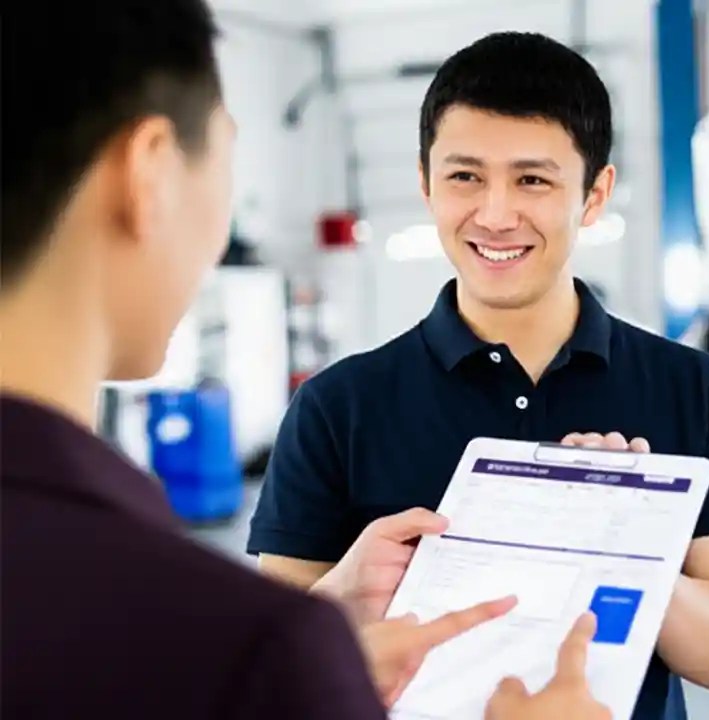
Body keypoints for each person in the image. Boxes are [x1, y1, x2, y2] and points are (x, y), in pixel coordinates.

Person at [0, 4, 606, 719]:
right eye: (224, 154)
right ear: (151, 173)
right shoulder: (222, 641)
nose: (497, 213)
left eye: (532, 180)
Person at [248, 31, 709, 719]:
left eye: (533, 179)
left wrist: (623, 549)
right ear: (425, 183)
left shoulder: (693, 389)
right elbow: (272, 683)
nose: (495, 215)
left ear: (594, 194)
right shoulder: (337, 407)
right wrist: (343, 597)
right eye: (465, 176)